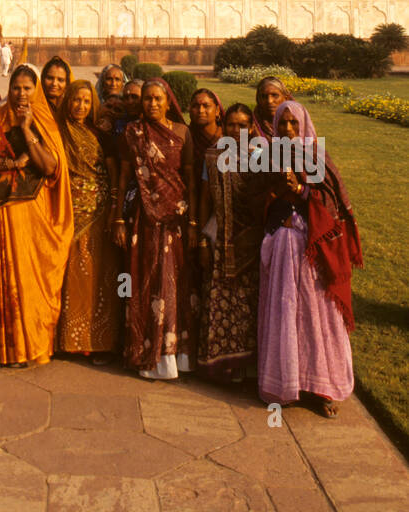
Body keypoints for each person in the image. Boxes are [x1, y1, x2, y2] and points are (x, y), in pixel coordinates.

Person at [257, 101, 361, 418]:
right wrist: (275, 198)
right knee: (286, 313)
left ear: (303, 124)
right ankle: (287, 384)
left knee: (319, 317)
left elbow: (332, 203)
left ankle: (322, 388)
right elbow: (254, 198)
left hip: (312, 248)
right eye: (282, 123)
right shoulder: (268, 156)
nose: (288, 129)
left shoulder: (316, 154)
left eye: (293, 123)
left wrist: (301, 189)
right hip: (282, 244)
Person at [0, 65, 73, 366]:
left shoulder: (44, 123)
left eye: (28, 88)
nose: (21, 94)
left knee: (27, 281)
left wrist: (27, 131)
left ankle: (28, 347)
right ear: (9, 88)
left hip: (29, 215)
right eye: (16, 88)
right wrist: (9, 164)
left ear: (36, 90)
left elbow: (50, 167)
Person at [116, 77, 196, 380]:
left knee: (175, 284)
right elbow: (124, 176)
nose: (151, 104)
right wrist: (119, 218)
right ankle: (145, 351)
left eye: (157, 99)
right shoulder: (133, 133)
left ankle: (175, 354)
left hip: (175, 217)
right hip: (143, 216)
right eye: (147, 99)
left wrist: (191, 223)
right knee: (143, 280)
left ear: (168, 102)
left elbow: (188, 177)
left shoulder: (181, 133)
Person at [197, 102, 270, 382]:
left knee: (251, 304)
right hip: (220, 236)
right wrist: (202, 238)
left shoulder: (262, 155)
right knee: (220, 302)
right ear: (223, 125)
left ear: (251, 127)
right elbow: (205, 198)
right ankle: (224, 367)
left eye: (242, 125)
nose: (236, 130)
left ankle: (250, 368)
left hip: (253, 241)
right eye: (231, 125)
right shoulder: (213, 155)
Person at [55, 79, 123, 359]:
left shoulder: (101, 134)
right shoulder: (57, 132)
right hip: (67, 210)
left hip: (98, 210)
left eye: (86, 101)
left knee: (98, 277)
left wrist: (115, 210)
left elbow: (113, 173)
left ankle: (100, 342)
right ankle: (68, 340)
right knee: (70, 275)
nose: (80, 106)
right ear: (67, 101)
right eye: (75, 100)